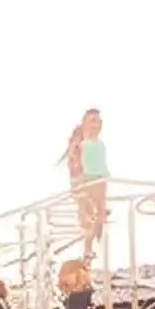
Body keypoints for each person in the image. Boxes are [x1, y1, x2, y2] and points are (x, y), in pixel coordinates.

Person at [58, 108, 109, 266]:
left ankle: (96, 250)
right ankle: (88, 251)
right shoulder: (80, 145)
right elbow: (74, 167)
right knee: (88, 217)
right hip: (86, 182)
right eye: (92, 121)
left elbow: (101, 163)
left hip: (99, 181)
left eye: (98, 121)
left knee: (100, 217)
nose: (96, 124)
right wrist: (78, 186)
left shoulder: (100, 144)